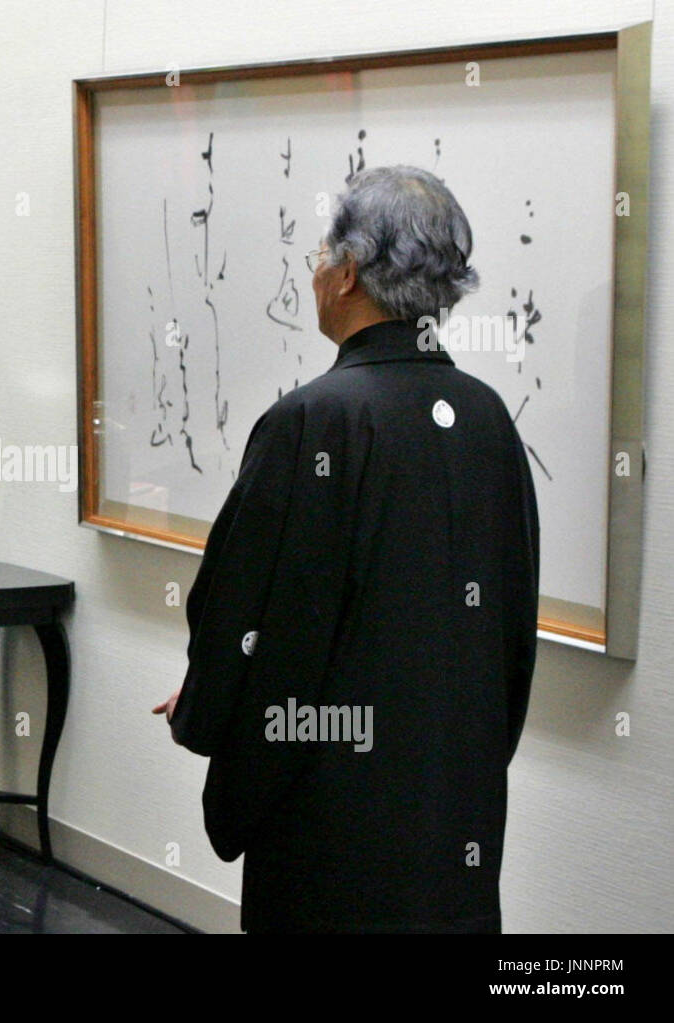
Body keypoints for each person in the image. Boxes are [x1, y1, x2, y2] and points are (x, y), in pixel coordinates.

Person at [155, 165, 539, 933]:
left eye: (322, 251)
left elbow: (248, 610)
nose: (314, 268)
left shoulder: (313, 422)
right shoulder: (490, 421)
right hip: (449, 806)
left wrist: (209, 705)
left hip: (328, 816)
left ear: (349, 272)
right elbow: (509, 634)